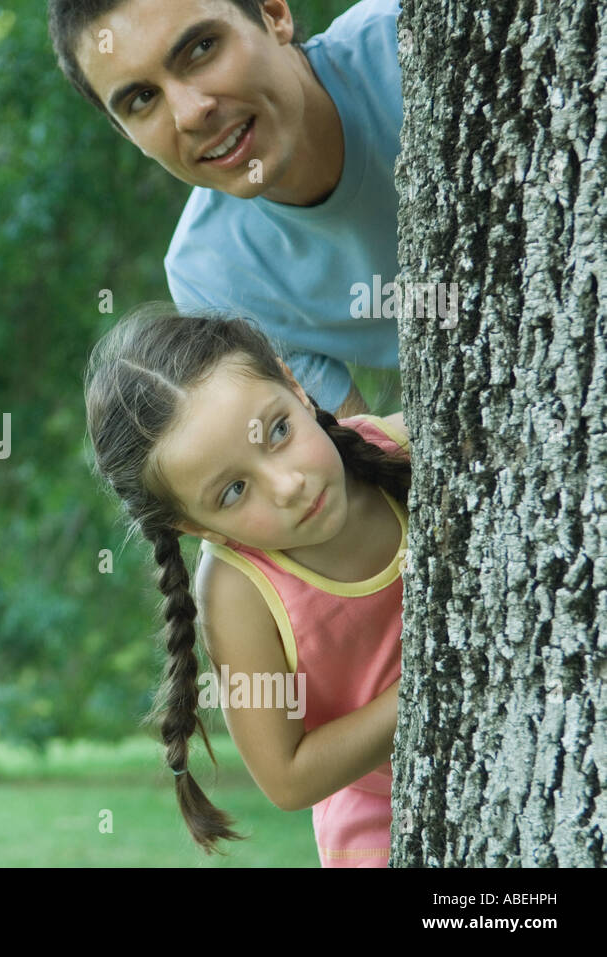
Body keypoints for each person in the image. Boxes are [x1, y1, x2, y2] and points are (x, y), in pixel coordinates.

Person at [84, 301, 411, 866]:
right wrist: (432, 691)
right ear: (192, 524)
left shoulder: (404, 447)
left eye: (279, 431)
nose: (286, 486)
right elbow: (288, 777)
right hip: (387, 822)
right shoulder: (239, 594)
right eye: (233, 491)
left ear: (295, 385)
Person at [50, 0, 405, 420]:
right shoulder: (212, 276)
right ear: (129, 136)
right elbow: (363, 462)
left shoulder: (403, 46)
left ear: (273, 14)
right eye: (143, 99)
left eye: (201, 49)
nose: (190, 113)